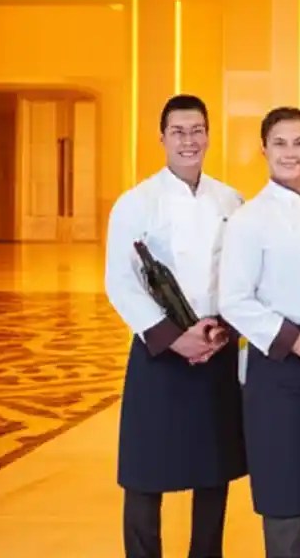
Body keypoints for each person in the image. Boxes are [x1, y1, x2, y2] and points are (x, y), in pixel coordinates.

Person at [105, 94, 246, 558]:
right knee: (146, 474)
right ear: (162, 137)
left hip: (216, 346)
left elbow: (241, 275)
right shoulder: (135, 203)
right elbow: (121, 283)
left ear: (208, 135)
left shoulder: (231, 200)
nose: (189, 140)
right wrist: (173, 338)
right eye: (179, 132)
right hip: (159, 353)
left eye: (197, 130)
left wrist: (218, 331)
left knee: (213, 471)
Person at [218, 107, 300, 558]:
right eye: (281, 144)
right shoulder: (249, 220)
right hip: (278, 366)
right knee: (284, 493)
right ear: (264, 151)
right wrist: (299, 343)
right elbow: (233, 300)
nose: (291, 153)